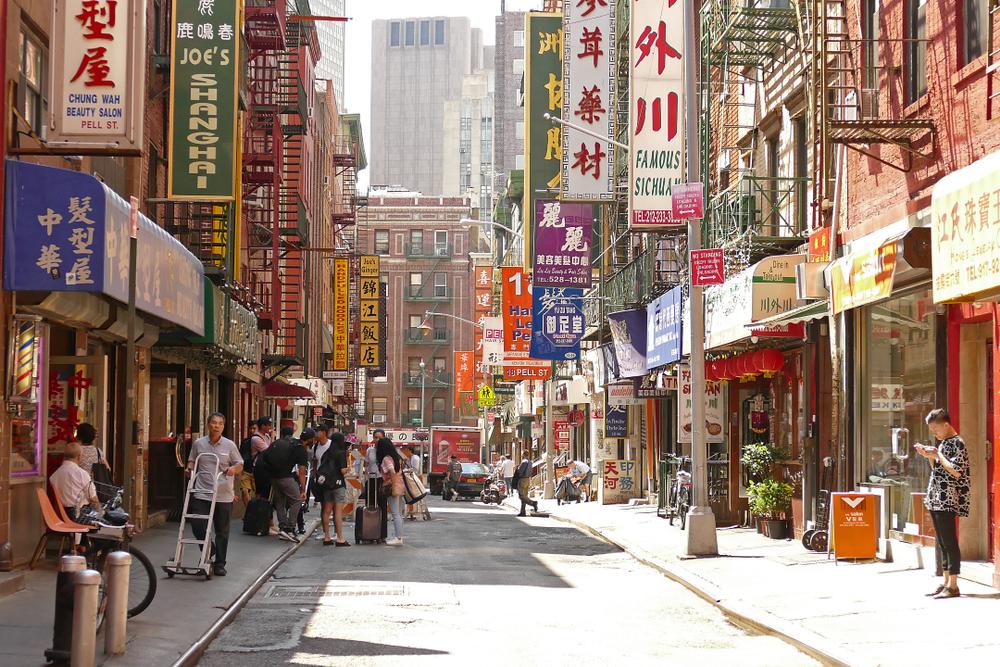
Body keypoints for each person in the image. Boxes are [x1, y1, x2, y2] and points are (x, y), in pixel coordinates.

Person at [916, 408, 971, 599]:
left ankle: (954, 585)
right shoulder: (944, 443)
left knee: (949, 542)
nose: (934, 433)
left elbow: (955, 471)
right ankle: (946, 581)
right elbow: (939, 470)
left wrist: (938, 455)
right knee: (942, 542)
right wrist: (930, 457)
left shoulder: (958, 443)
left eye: (936, 429)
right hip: (936, 497)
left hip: (947, 499)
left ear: (946, 424)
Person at [185, 412, 243, 577]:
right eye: (213, 423)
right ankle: (210, 550)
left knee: (222, 531)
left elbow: (239, 463)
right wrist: (189, 468)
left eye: (220, 423)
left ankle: (220, 564)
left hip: (223, 494)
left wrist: (233, 469)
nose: (216, 426)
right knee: (197, 525)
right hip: (202, 492)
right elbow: (192, 459)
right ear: (208, 424)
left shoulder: (229, 445)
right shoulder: (199, 444)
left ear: (223, 427)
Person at [259, 426, 309, 543]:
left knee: (280, 501)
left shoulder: (280, 442)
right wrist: (303, 489)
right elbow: (302, 472)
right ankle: (289, 528)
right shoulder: (300, 448)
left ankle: (282, 528)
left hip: (273, 476)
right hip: (285, 477)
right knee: (297, 500)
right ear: (310, 440)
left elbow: (265, 456)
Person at [50, 441, 101, 521]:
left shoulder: (54, 476)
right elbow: (93, 499)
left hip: (61, 515)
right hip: (80, 515)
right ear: (79, 457)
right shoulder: (82, 474)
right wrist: (100, 513)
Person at [316, 432, 351, 546]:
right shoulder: (341, 453)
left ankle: (327, 537)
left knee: (326, 511)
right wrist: (348, 468)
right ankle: (340, 538)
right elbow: (342, 471)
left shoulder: (327, 453)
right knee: (338, 512)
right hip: (338, 484)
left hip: (327, 485)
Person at [377, 437, 405, 546]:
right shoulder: (395, 457)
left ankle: (398, 538)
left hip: (392, 486)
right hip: (400, 485)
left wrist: (393, 487)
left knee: (395, 513)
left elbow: (392, 471)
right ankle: (399, 536)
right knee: (398, 513)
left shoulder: (386, 459)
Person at [251, 416, 274, 503]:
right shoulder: (256, 438)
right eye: (268, 425)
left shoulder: (267, 436)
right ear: (262, 426)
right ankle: (258, 508)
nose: (270, 428)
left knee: (266, 491)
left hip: (266, 466)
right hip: (259, 467)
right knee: (260, 490)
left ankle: (264, 508)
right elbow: (268, 451)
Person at [512, 450, 538, 517]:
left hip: (522, 479)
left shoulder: (524, 462)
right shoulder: (530, 462)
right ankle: (523, 512)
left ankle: (533, 503)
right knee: (525, 495)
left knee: (522, 496)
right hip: (527, 479)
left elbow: (520, 472)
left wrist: (517, 469)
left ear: (523, 454)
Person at [402, 447, 421, 520]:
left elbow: (414, 470)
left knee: (413, 495)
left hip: (413, 479)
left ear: (410, 450)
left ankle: (413, 513)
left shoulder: (415, 458)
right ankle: (410, 513)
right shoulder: (409, 458)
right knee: (410, 496)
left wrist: (405, 471)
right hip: (409, 479)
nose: (404, 453)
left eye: (405, 451)